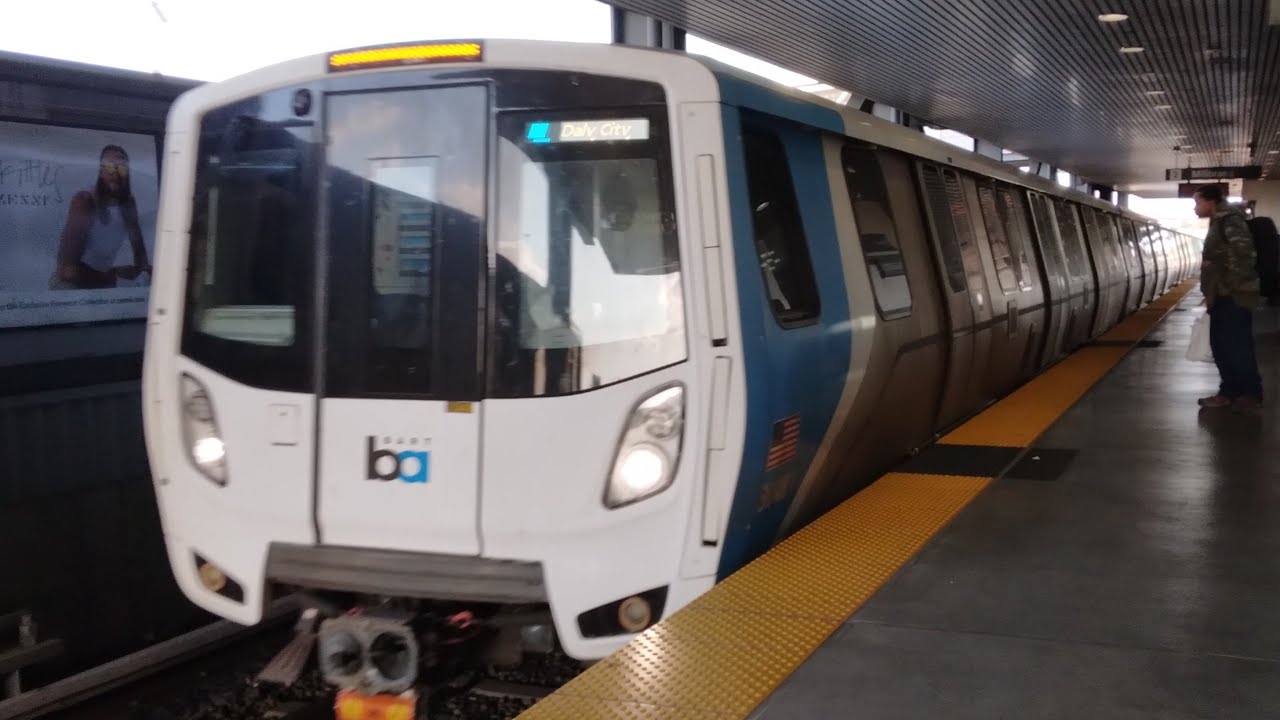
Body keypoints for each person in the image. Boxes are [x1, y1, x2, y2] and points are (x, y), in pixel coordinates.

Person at [1193, 184, 1263, 409]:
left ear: (1210, 201)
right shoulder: (1219, 220)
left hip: (1233, 295)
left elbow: (1245, 255)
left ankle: (1250, 393)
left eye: (1198, 202)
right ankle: (1229, 391)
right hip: (1222, 294)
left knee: (1237, 346)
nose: (1195, 208)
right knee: (1222, 346)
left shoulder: (1230, 220)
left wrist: (1226, 284)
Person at [51, 144, 151, 289]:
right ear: (100, 172)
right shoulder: (85, 201)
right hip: (70, 289)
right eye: (109, 167)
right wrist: (111, 277)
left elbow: (140, 258)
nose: (115, 174)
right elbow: (67, 271)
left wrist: (141, 272)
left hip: (100, 286)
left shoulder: (128, 203)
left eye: (122, 168)